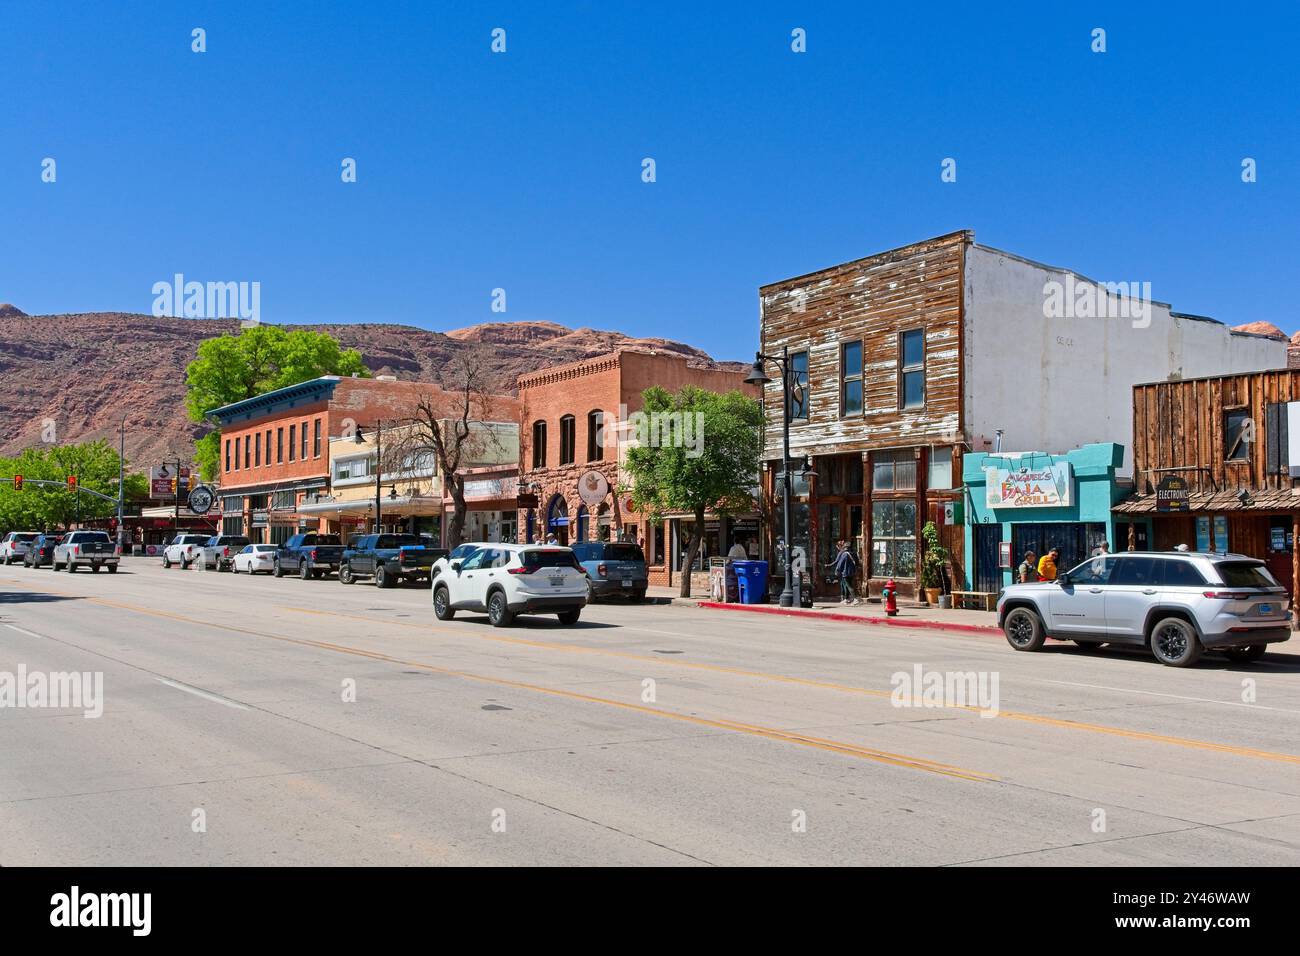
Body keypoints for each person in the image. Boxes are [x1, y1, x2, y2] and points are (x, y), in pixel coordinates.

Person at [827, 539, 859, 605]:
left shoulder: (844, 554)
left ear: (845, 547)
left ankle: (855, 599)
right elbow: (857, 562)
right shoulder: (854, 553)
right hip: (852, 572)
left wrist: (837, 570)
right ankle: (846, 599)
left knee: (849, 586)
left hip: (846, 572)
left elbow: (840, 564)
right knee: (848, 585)